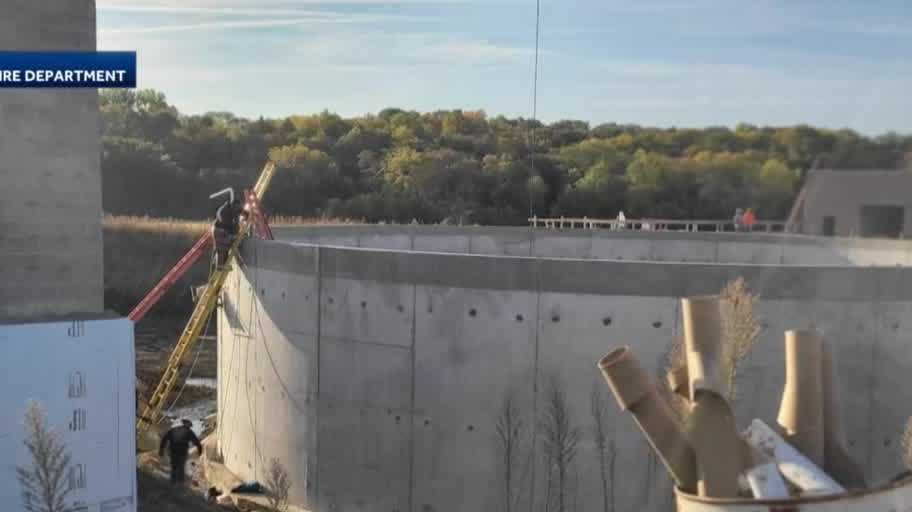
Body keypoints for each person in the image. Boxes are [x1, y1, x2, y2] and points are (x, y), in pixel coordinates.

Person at [159, 419, 203, 485]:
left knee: (174, 467)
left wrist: (161, 450)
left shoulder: (173, 430)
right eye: (190, 426)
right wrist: (200, 452)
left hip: (172, 451)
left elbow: (164, 440)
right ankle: (180, 484)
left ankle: (173, 482)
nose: (190, 427)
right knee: (180, 467)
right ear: (187, 425)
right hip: (182, 452)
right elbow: (197, 443)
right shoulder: (188, 431)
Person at [212, 198, 244, 267]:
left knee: (223, 249)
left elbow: (239, 213)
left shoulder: (226, 207)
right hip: (221, 232)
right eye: (238, 206)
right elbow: (233, 225)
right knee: (225, 248)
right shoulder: (228, 211)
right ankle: (221, 265)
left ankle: (220, 264)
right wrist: (235, 234)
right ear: (235, 205)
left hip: (218, 230)